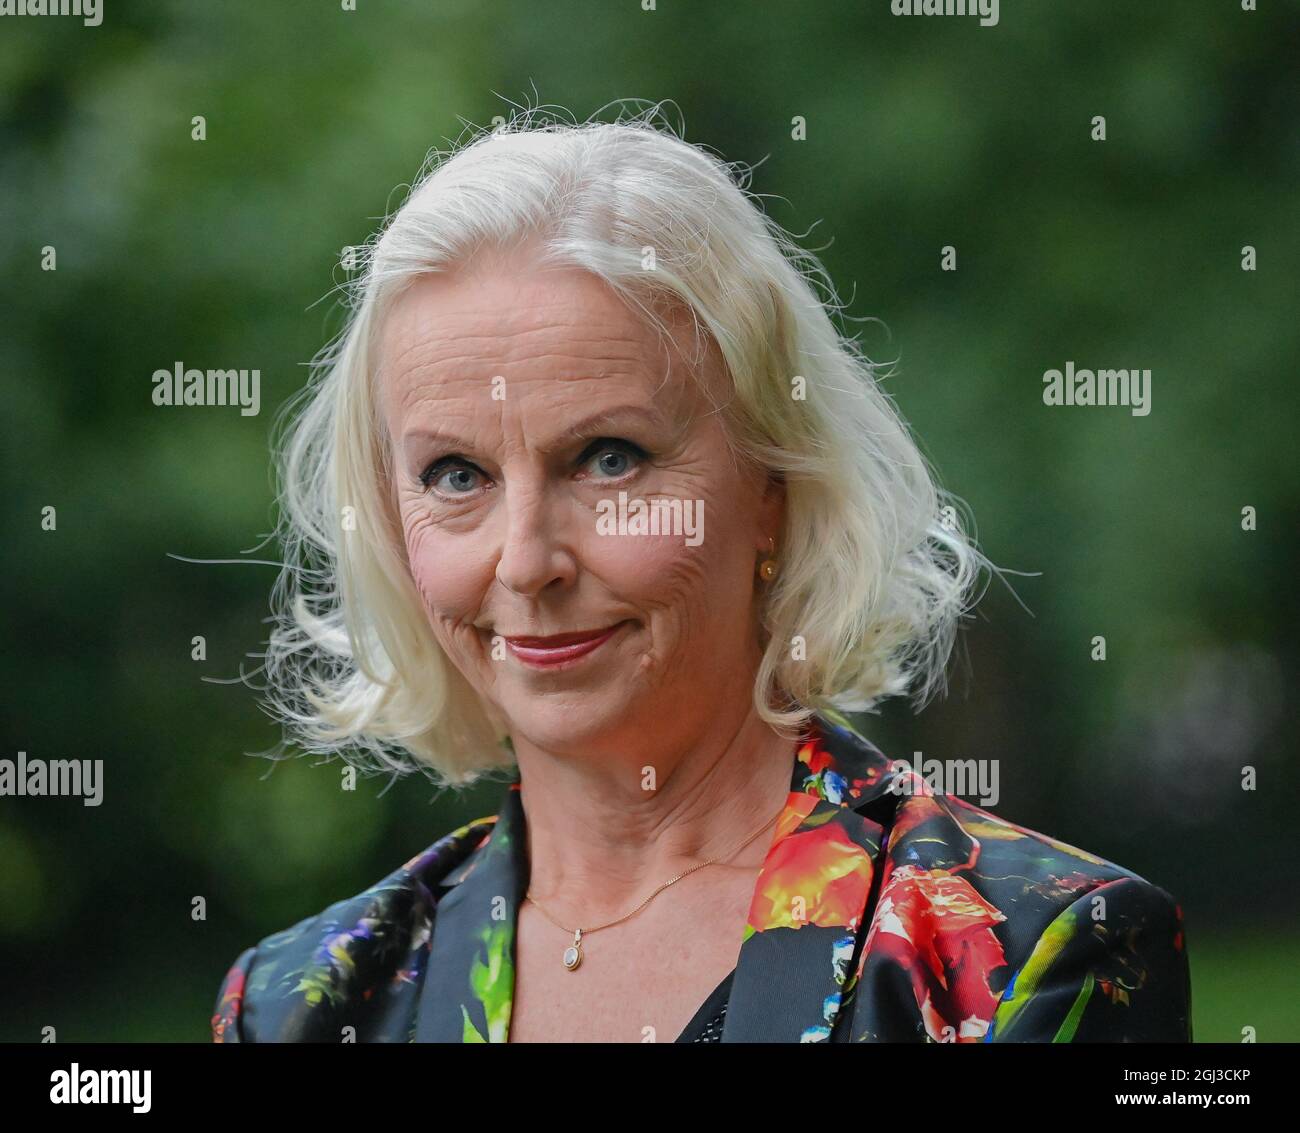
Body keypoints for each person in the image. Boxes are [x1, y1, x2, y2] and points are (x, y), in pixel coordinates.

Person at [211, 109, 1191, 1043]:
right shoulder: (305, 1003)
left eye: (606, 458)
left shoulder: (1026, 954)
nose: (525, 561)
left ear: (772, 480)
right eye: (455, 474)